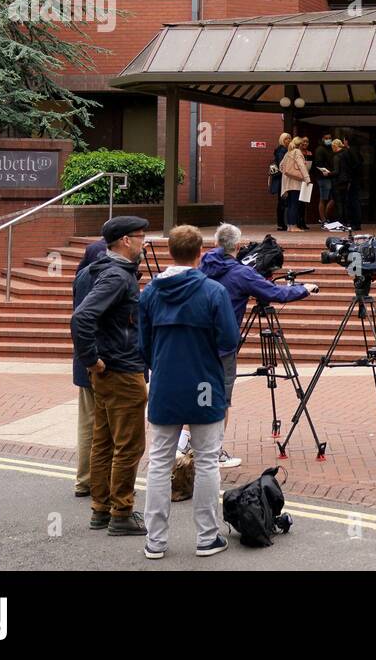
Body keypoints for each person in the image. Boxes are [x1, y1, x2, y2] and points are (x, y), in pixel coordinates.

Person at [138, 225, 241, 560]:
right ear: (201, 253)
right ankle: (207, 537)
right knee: (208, 460)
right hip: (204, 385)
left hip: (166, 382)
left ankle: (155, 540)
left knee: (158, 462)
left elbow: (143, 346)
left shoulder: (151, 292)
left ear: (170, 251)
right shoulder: (213, 292)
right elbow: (229, 341)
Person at [200, 223, 319, 467]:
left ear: (215, 244)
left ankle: (188, 443)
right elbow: (275, 294)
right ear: (237, 246)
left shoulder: (202, 265)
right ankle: (213, 451)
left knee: (201, 393)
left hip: (197, 342)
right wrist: (304, 289)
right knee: (221, 398)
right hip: (222, 345)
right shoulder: (241, 274)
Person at [71, 215, 152, 535]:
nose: (145, 242)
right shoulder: (117, 276)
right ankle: (121, 512)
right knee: (129, 446)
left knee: (103, 444)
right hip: (122, 371)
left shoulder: (97, 271)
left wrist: (94, 362)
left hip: (109, 372)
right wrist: (92, 360)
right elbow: (82, 318)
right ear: (125, 241)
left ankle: (100, 509)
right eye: (141, 237)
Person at [71, 238, 107, 498]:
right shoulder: (109, 278)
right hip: (103, 361)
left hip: (85, 359)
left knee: (87, 423)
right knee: (113, 425)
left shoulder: (81, 275)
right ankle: (103, 482)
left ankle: (84, 480)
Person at [279, 136, 310, 232]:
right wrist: (307, 178)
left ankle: (289, 226)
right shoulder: (297, 152)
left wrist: (289, 174)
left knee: (290, 205)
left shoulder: (288, 153)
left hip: (288, 183)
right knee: (294, 205)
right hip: (296, 183)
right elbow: (301, 165)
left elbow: (281, 166)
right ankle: (294, 226)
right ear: (299, 144)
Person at [334, 136, 363, 230]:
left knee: (353, 201)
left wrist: (350, 178)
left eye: (344, 140)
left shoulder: (350, 151)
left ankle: (355, 223)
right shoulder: (355, 151)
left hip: (352, 180)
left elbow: (354, 165)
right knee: (354, 200)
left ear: (346, 141)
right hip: (355, 179)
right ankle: (355, 223)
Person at [313, 132, 335, 225]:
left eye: (330, 138)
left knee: (332, 198)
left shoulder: (330, 149)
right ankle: (323, 219)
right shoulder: (320, 149)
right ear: (323, 139)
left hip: (330, 176)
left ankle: (326, 217)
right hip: (323, 177)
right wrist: (326, 171)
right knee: (323, 199)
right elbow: (318, 163)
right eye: (326, 138)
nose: (328, 140)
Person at [272, 132, 290, 231]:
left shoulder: (284, 150)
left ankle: (282, 223)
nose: (289, 140)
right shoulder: (281, 151)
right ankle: (281, 223)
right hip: (281, 179)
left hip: (281, 179)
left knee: (282, 201)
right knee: (282, 201)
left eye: (290, 138)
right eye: (286, 139)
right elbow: (281, 166)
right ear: (282, 140)